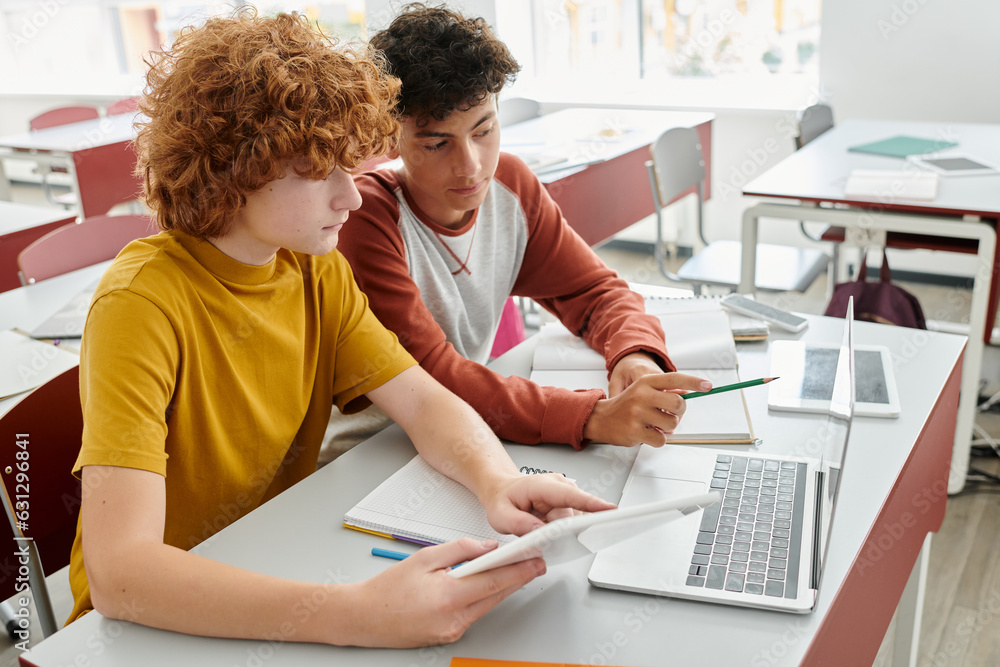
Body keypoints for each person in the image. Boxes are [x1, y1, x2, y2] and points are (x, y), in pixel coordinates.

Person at [68, 9, 615, 648]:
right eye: (315, 171)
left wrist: (498, 483)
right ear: (231, 171)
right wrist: (355, 614)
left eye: (348, 167)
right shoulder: (141, 305)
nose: (350, 198)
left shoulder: (313, 269)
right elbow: (120, 576)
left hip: (275, 563)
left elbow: (427, 403)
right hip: (156, 624)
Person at [325, 2, 710, 464]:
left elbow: (596, 291)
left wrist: (634, 355)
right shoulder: (366, 218)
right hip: (375, 454)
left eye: (484, 130)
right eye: (436, 143)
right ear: (391, 139)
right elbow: (434, 376)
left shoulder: (510, 184)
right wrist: (592, 417)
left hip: (470, 438)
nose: (470, 165)